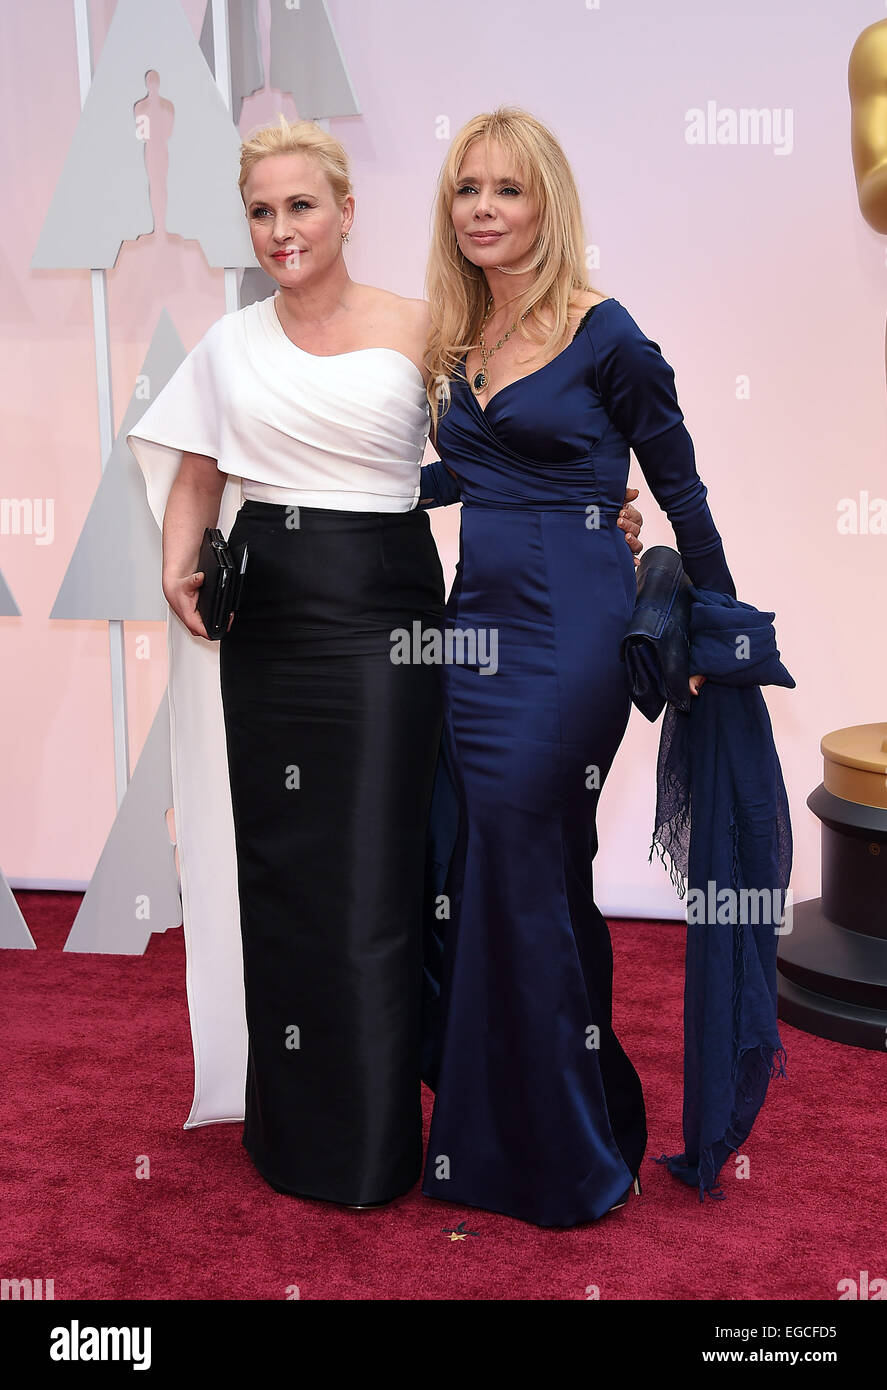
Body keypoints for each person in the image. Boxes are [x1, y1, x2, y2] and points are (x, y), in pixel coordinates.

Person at [127, 115, 648, 1207]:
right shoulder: (230, 343)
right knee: (284, 868)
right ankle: (297, 1132)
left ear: (346, 210)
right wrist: (183, 567)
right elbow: (197, 468)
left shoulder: (427, 329)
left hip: (385, 614)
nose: (281, 229)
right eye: (261, 212)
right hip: (270, 614)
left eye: (300, 206)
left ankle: (379, 1144)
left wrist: (599, 506)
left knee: (379, 872)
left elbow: (508, 446)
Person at [417, 107, 733, 1228]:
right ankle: (530, 1123)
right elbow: (457, 480)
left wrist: (715, 624)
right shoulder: (453, 336)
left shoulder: (605, 332)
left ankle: (565, 1157)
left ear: (545, 204)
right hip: (475, 625)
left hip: (573, 626)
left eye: (507, 190)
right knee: (506, 868)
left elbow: (679, 487)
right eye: (467, 190)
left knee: (520, 850)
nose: (484, 210)